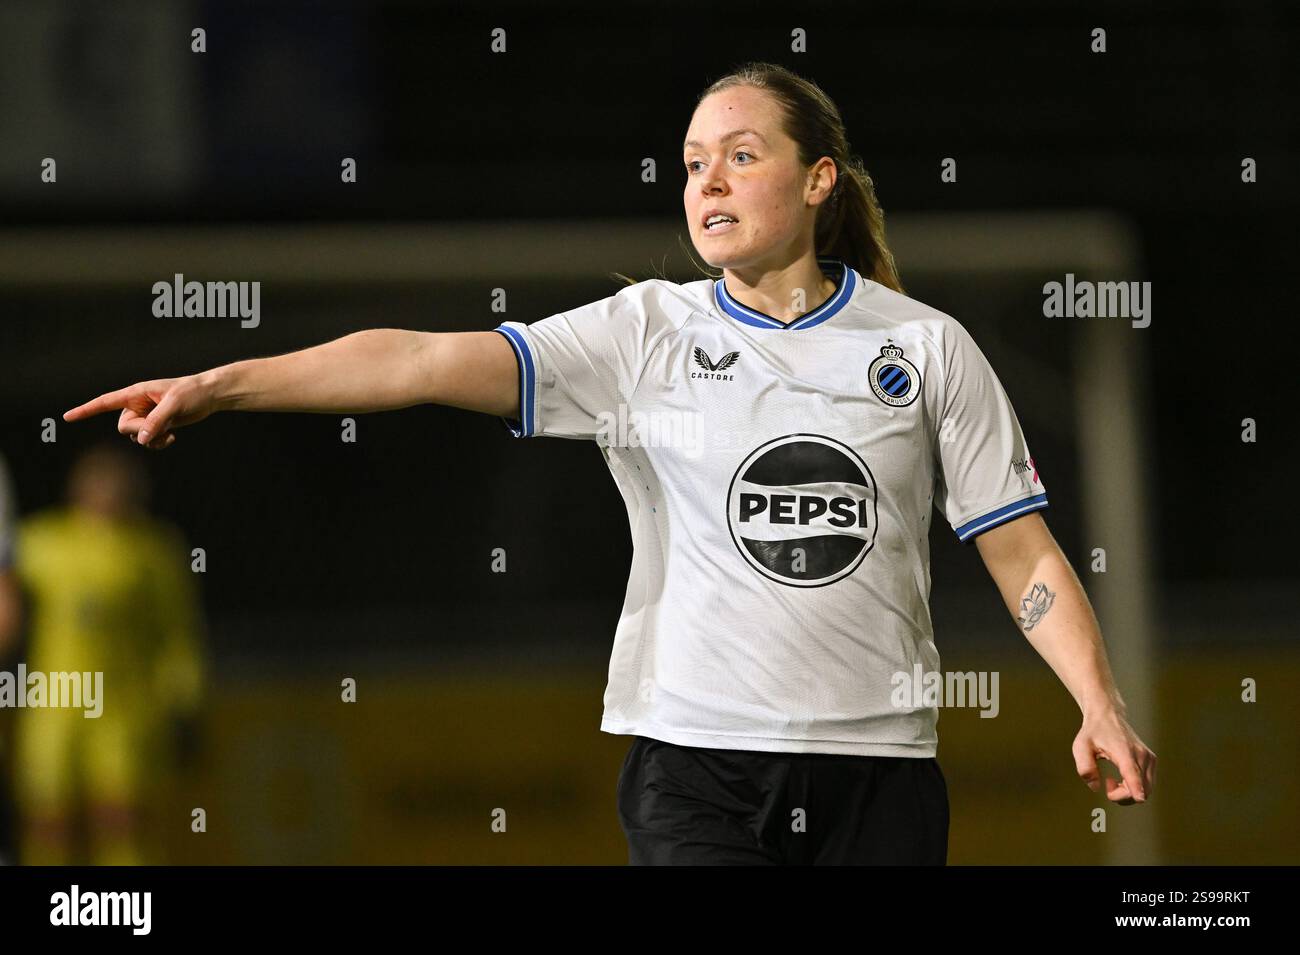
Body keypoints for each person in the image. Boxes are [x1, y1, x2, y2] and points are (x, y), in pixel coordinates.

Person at [64, 61, 1155, 865]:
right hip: (695, 768)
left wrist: (1096, 699)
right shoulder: (644, 335)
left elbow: (1020, 554)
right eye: (690, 164)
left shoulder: (922, 348)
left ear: (820, 179)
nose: (707, 181)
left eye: (740, 154)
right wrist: (221, 386)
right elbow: (413, 360)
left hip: (879, 774)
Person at [11, 443, 205, 864]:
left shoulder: (153, 551)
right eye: (97, 482)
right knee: (48, 819)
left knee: (121, 819)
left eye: (117, 484)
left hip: (126, 706)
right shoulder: (42, 542)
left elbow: (176, 633)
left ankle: (129, 911)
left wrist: (185, 700)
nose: (107, 492)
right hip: (55, 702)